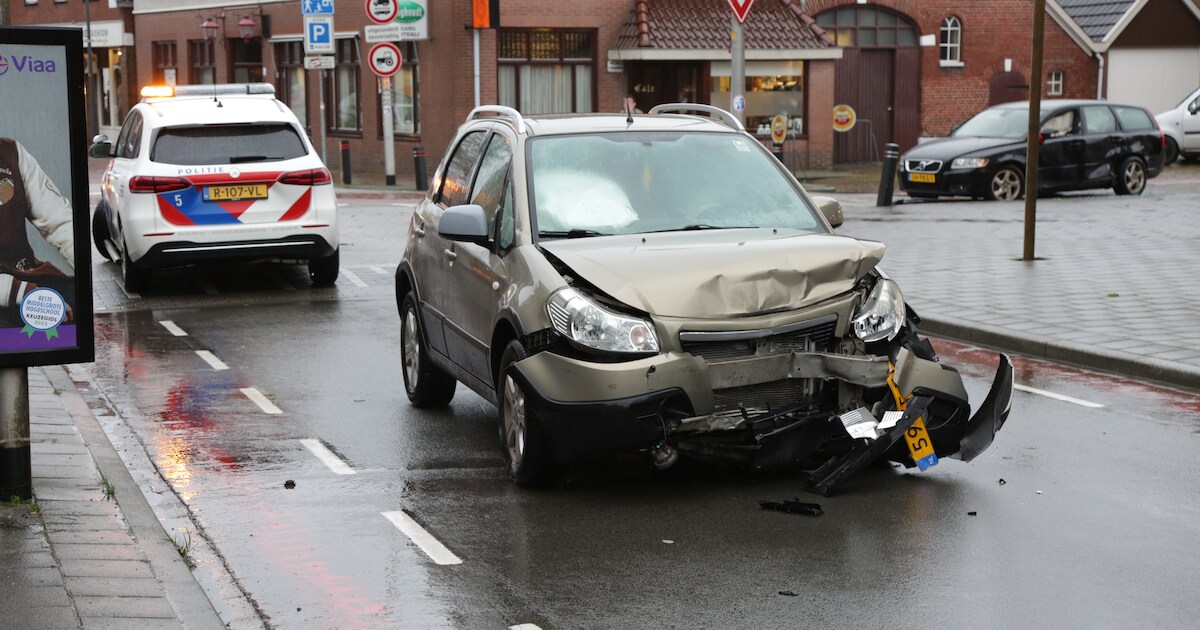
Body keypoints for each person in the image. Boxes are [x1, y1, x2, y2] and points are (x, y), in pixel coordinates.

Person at [0, 137, 75, 320]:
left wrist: (86, 267)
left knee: (77, 305)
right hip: (11, 291)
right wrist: (21, 291)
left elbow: (59, 221)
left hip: (24, 273)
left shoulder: (11, 152)